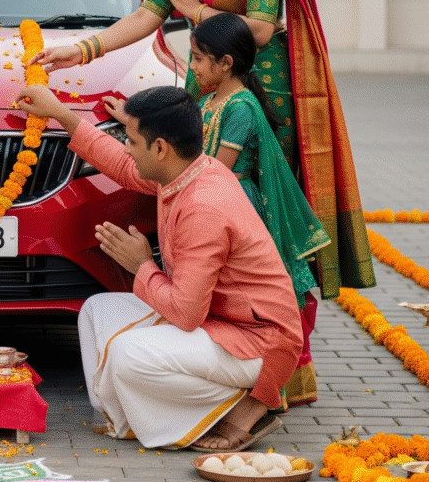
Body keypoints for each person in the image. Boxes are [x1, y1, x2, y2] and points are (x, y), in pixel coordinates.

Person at [35, 0, 373, 400]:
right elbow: (149, 13)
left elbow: (261, 30)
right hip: (207, 92)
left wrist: (195, 13)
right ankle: (214, 337)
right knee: (204, 224)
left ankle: (283, 364)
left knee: (263, 229)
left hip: (261, 102)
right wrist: (84, 49)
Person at [15, 83, 302, 452]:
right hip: (218, 319)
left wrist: (141, 265)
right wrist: (63, 114)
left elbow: (185, 314)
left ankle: (241, 406)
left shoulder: (204, 207)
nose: (128, 150)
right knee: (96, 311)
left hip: (258, 342)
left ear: (161, 148)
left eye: (132, 141)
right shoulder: (187, 170)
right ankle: (130, 421)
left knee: (126, 353)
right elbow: (120, 164)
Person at [182, 12, 331, 404]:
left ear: (225, 62)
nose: (193, 66)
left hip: (236, 202)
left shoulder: (241, 108)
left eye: (198, 58)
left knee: (250, 296)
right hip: (218, 196)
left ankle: (269, 384)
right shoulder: (212, 98)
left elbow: (216, 168)